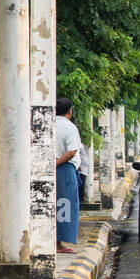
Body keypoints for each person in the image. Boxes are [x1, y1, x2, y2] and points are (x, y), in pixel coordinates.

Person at [55, 97, 82, 254]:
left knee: (53, 203)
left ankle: (55, 241)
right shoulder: (69, 127)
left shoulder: (46, 124)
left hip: (49, 167)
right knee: (65, 204)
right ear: (69, 111)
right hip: (64, 169)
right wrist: (57, 163)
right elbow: (71, 152)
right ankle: (58, 243)